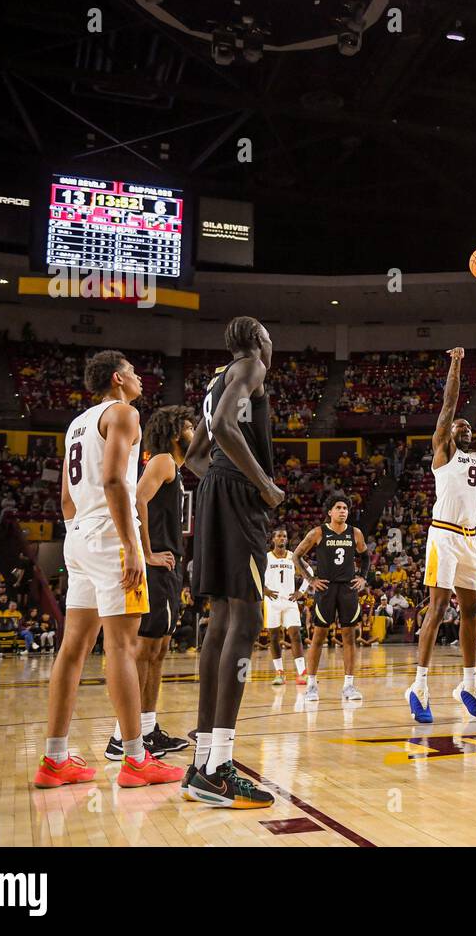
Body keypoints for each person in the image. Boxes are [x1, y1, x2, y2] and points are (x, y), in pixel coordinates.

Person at [34, 350, 182, 790]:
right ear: (118, 379)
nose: (140, 378)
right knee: (122, 648)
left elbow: (65, 495)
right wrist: (131, 545)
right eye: (135, 372)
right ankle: (136, 759)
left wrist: (78, 532)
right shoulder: (124, 412)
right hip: (110, 537)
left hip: (78, 535)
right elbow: (117, 481)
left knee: (73, 648)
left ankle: (55, 758)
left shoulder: (77, 423)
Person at [182, 317, 284, 808]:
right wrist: (261, 484)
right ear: (257, 341)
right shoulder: (250, 367)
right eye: (268, 335)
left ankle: (203, 761)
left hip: (215, 492)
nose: (271, 342)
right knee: (246, 619)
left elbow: (193, 457)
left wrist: (222, 480)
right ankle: (220, 765)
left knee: (221, 622)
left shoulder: (218, 377)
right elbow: (222, 428)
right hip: (237, 498)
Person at [404, 348, 476, 723]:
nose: (466, 430)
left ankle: (469, 685)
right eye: (461, 427)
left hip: (470, 540)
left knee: (472, 612)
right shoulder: (443, 451)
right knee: (438, 608)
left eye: (468, 428)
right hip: (442, 536)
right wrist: (456, 363)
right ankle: (419, 687)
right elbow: (448, 404)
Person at [105, 404, 194, 760]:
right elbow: (136, 498)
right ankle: (121, 736)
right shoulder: (162, 461)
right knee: (145, 651)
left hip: (168, 567)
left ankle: (147, 729)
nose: (195, 432)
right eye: (189, 426)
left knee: (157, 652)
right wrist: (148, 553)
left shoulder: (175, 467)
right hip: (156, 567)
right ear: (175, 433)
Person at [293, 494, 369, 701]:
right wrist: (311, 579)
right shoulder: (318, 532)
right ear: (330, 512)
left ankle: (349, 686)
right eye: (338, 507)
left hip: (347, 589)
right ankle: (311, 686)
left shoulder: (355, 533)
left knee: (349, 638)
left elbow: (365, 556)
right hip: (325, 589)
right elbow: (296, 555)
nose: (343, 511)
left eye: (345, 508)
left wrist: (363, 577)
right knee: (318, 637)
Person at [263, 527, 306, 687]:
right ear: (273, 539)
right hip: (272, 602)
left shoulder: (293, 557)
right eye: (279, 536)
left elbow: (308, 572)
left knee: (295, 635)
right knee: (274, 637)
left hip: (289, 601)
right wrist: (263, 590)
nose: (282, 538)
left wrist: (300, 592)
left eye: (285, 536)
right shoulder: (266, 558)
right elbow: (253, 574)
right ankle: (279, 673)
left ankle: (302, 673)